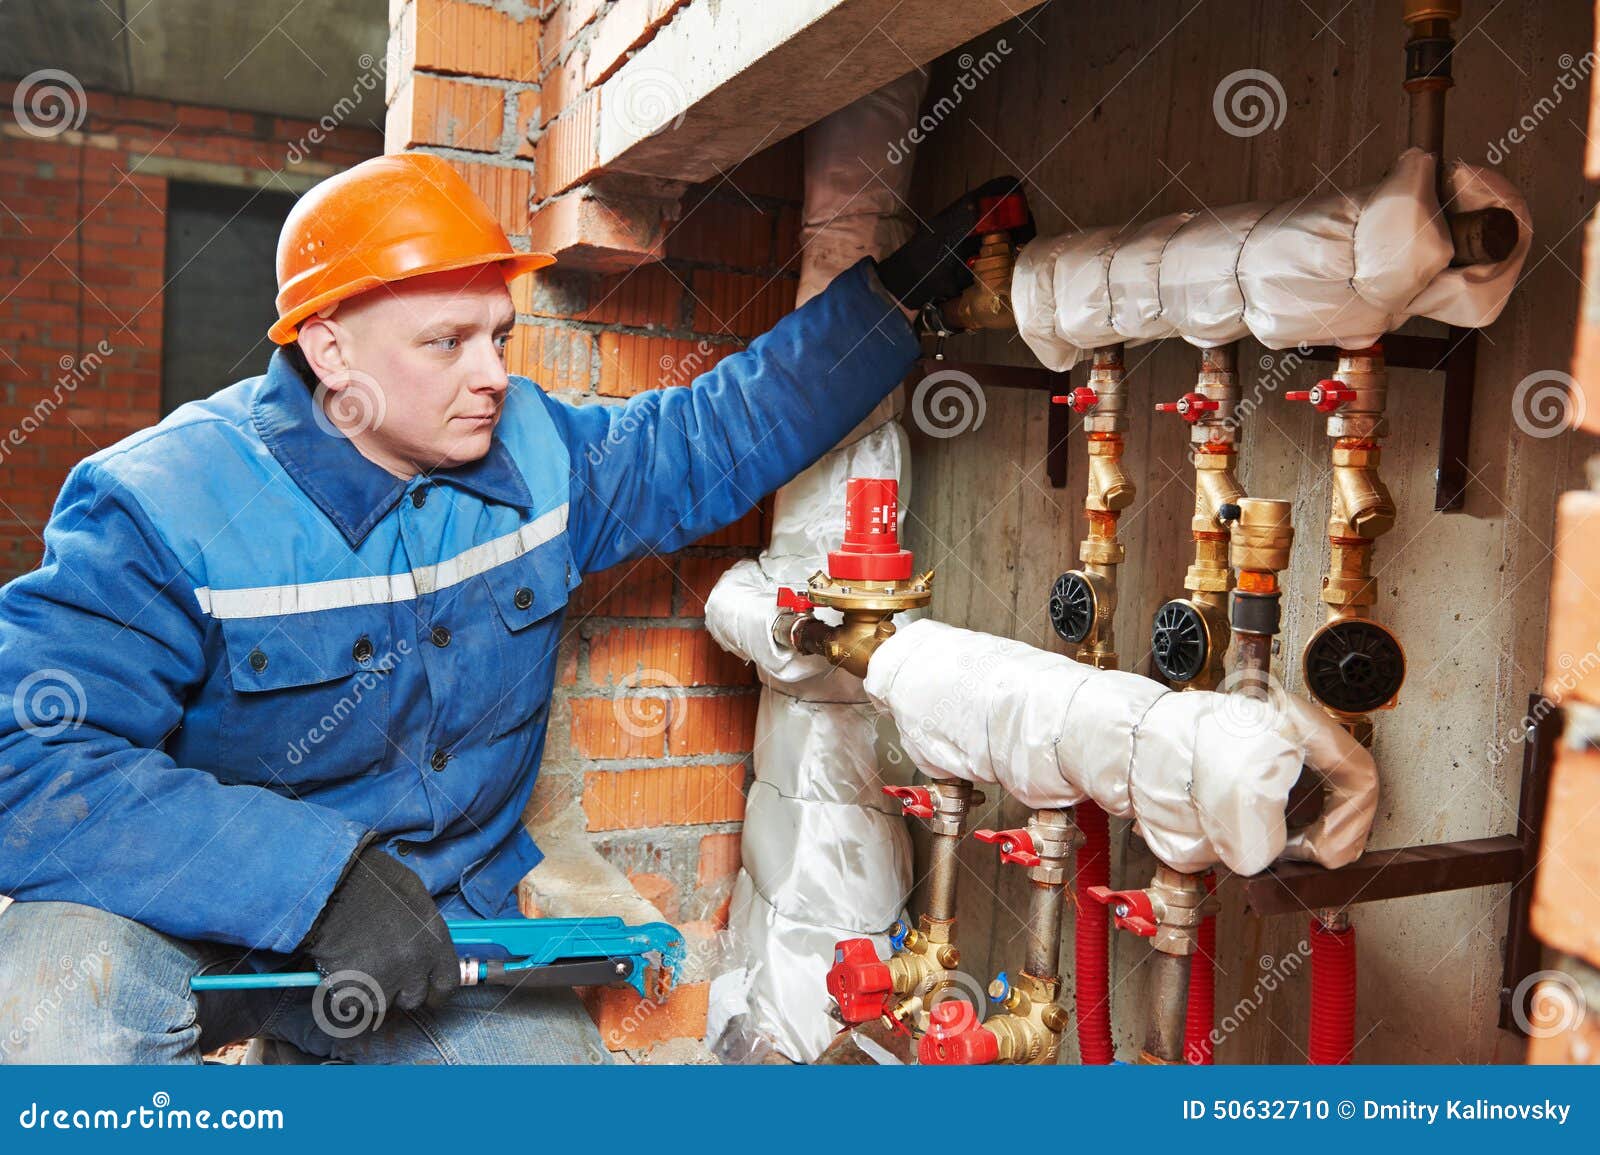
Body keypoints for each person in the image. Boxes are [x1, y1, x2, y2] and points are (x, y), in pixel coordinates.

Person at [0, 151, 1025, 1063]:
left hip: (438, 931)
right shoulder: (163, 503)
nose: (494, 376)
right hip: (200, 920)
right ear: (330, 352)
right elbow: (29, 764)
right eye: (446, 343)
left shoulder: (534, 455)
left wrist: (892, 307)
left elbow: (707, 437)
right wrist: (314, 879)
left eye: (500, 334)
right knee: (54, 1008)